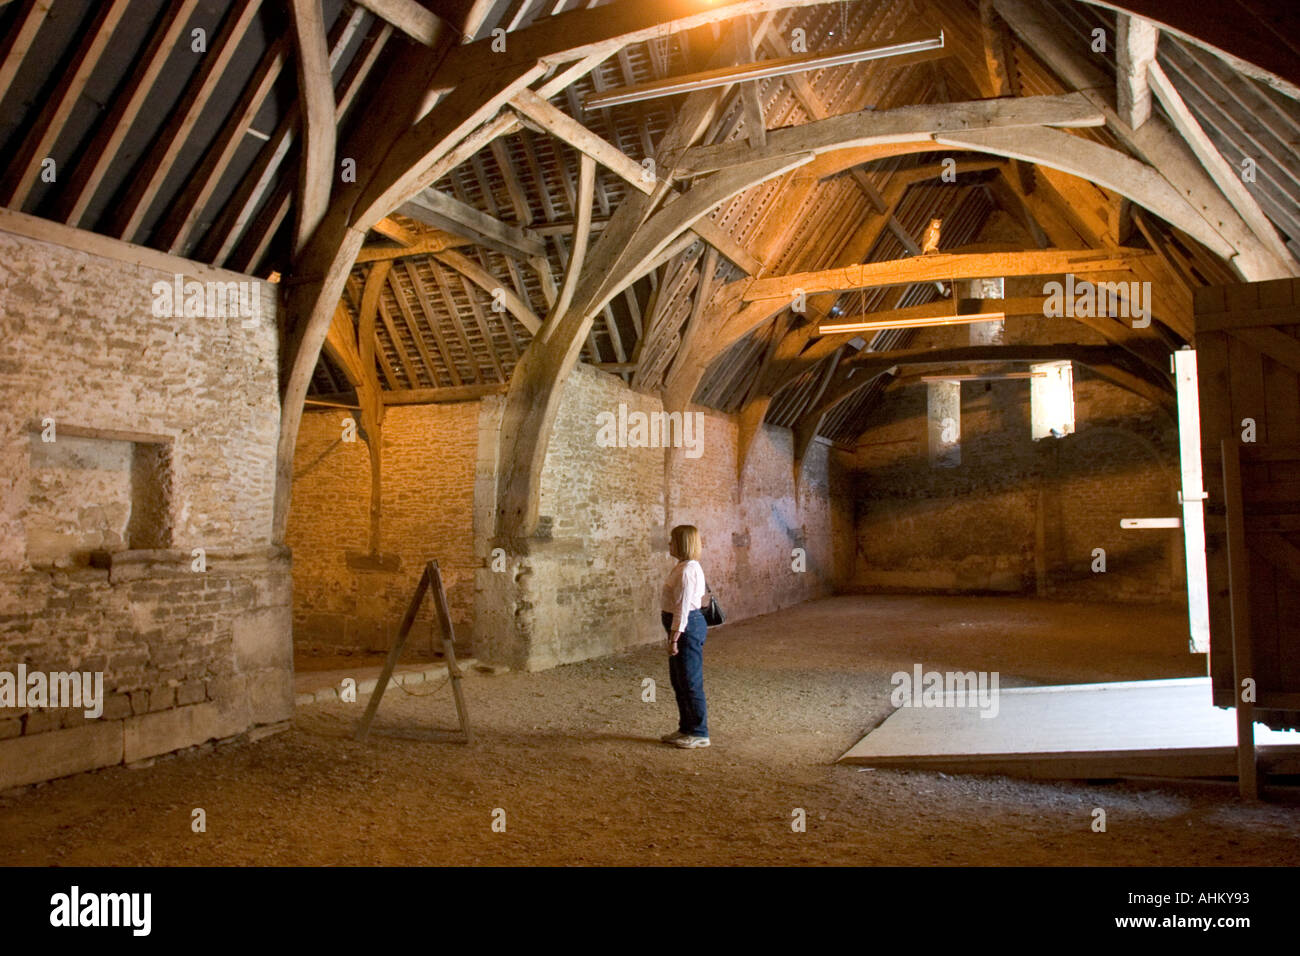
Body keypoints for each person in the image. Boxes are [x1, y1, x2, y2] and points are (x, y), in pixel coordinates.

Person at [660, 524, 709, 749]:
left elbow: (683, 608)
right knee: (679, 680)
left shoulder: (688, 569)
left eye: (672, 540)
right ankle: (686, 728)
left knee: (690, 681)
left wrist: (674, 637)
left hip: (686, 627)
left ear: (681, 543)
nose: (669, 543)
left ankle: (699, 732)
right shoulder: (682, 567)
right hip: (682, 627)